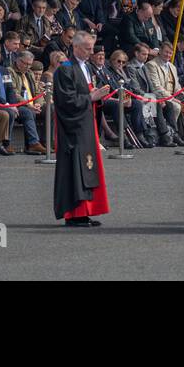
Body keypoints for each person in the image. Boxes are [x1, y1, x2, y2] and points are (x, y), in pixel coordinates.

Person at [53, 30, 113, 226]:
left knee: (88, 168)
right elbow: (66, 100)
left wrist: (97, 95)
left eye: (92, 48)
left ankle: (85, 211)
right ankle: (75, 213)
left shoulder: (86, 67)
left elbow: (84, 93)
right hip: (73, 127)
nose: (91, 52)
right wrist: (91, 97)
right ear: (76, 47)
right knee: (76, 169)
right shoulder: (65, 69)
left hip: (86, 124)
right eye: (87, 49)